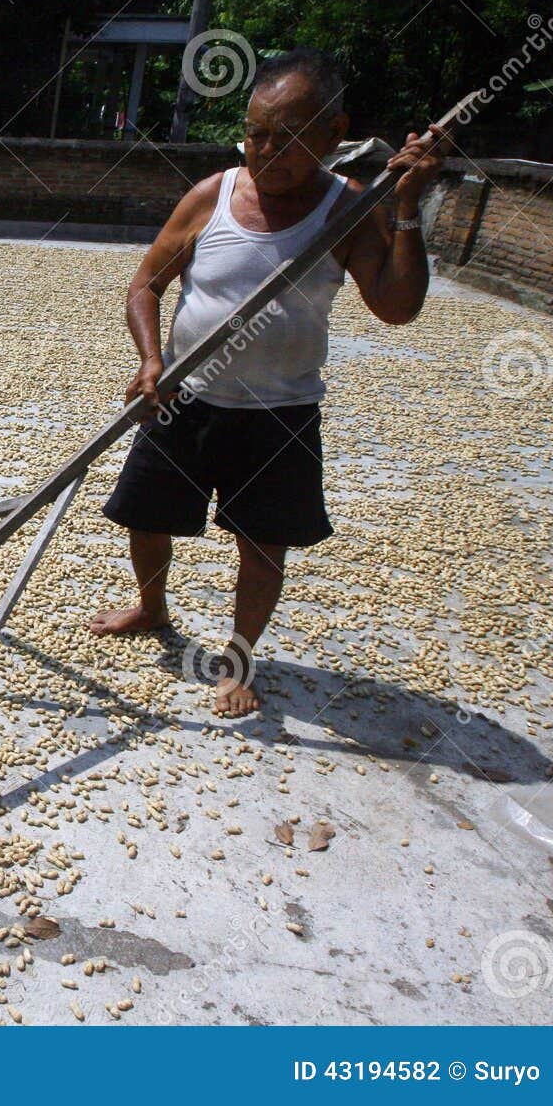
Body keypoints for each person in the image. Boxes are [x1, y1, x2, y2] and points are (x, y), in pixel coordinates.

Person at [89, 47, 447, 717]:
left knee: (262, 546)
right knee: (145, 515)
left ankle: (239, 658)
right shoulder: (212, 196)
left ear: (333, 134)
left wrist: (406, 208)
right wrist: (149, 359)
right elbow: (146, 283)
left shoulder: (347, 211)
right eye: (255, 132)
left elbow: (398, 306)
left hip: (280, 413)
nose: (264, 150)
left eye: (286, 137)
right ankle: (153, 607)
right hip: (185, 399)